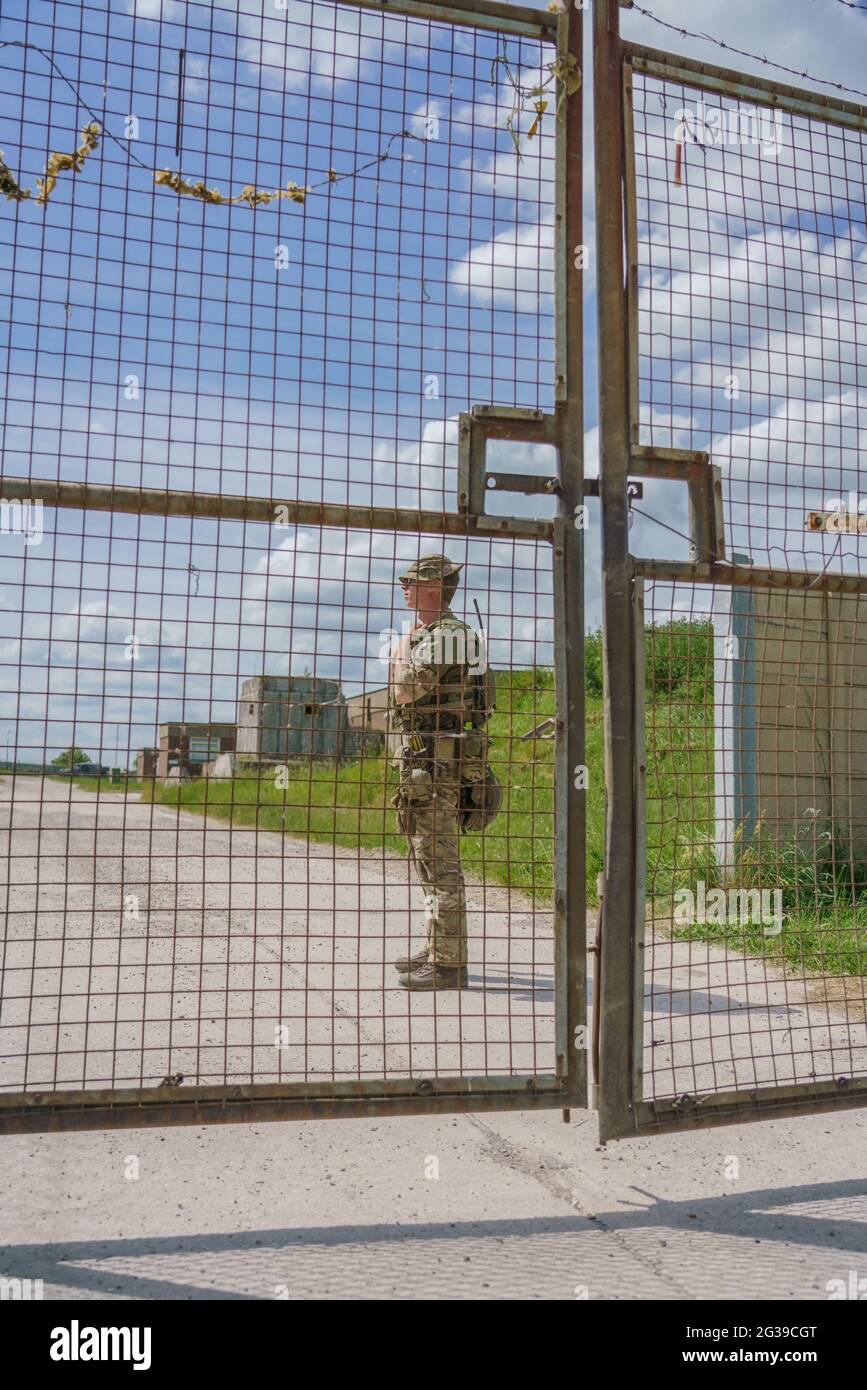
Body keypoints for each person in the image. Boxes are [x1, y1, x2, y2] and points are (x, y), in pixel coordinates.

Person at [388, 553, 482, 991]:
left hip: (439, 762)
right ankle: (437, 948)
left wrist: (403, 646)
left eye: (412, 579)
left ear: (436, 587)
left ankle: (448, 966)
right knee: (426, 861)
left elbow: (405, 691)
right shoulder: (432, 633)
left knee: (441, 864)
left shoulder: (448, 636)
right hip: (427, 761)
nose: (403, 585)